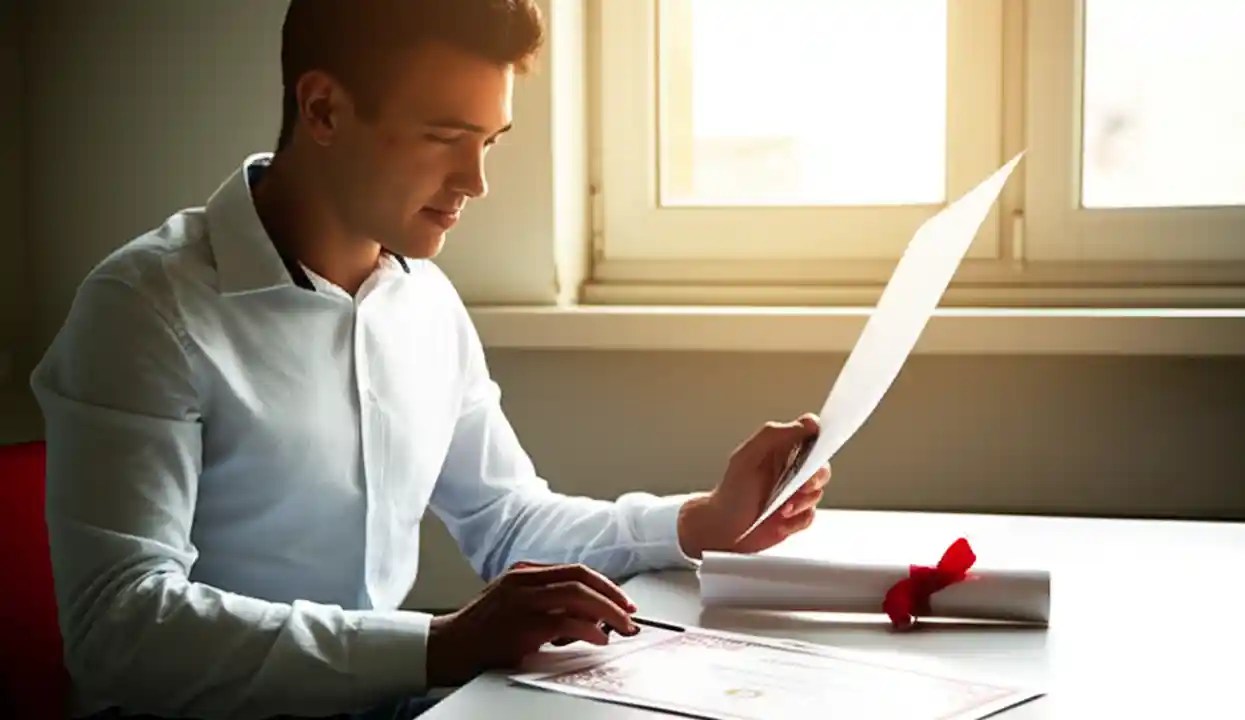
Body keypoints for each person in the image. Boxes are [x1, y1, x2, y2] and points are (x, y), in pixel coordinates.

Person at [30, 1, 831, 718]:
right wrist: (440, 645)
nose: (476, 181)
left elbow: (509, 520)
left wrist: (703, 521)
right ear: (323, 109)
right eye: (445, 138)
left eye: (489, 141)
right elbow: (120, 628)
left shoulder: (424, 302)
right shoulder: (145, 308)